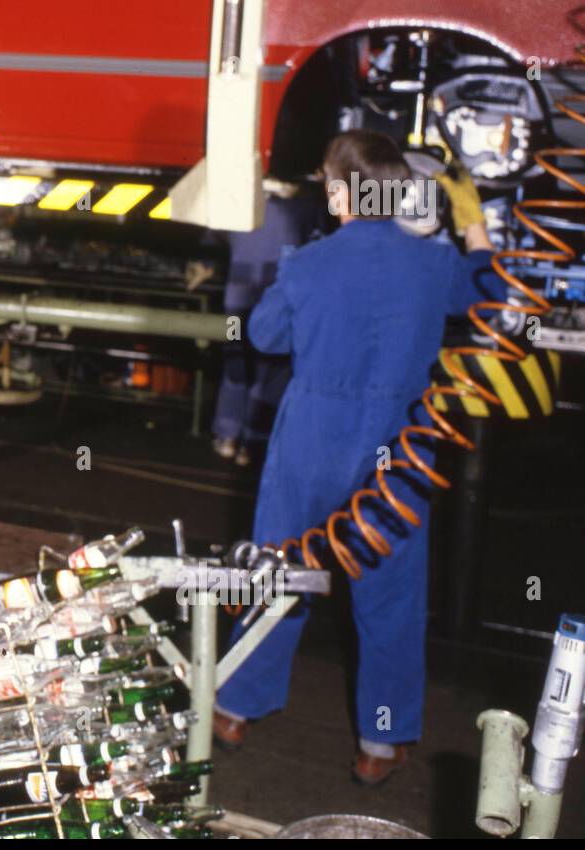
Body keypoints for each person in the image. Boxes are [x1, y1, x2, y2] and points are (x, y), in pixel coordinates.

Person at [211, 130, 495, 785]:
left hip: (311, 436)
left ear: (341, 192)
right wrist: (473, 222)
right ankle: (380, 742)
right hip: (397, 448)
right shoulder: (430, 262)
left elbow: (264, 334)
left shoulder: (309, 264)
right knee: (390, 592)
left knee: (278, 569)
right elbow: (487, 295)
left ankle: (233, 708)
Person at [211, 188, 323, 467]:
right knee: (270, 372)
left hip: (238, 301)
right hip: (278, 301)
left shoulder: (240, 197)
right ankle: (253, 443)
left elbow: (214, 233)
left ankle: (227, 437)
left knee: (236, 367)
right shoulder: (306, 203)